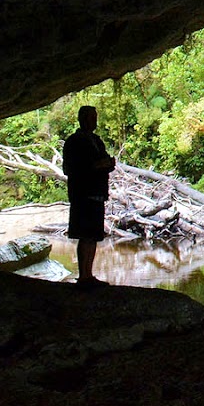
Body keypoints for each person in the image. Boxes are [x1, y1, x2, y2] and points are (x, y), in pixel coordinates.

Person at [63, 105, 117, 285]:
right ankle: (83, 276)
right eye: (90, 118)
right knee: (85, 235)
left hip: (97, 193)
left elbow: (103, 161)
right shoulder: (74, 141)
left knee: (93, 235)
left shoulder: (96, 140)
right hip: (82, 194)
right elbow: (69, 168)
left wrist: (108, 164)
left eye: (95, 117)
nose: (93, 121)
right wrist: (96, 166)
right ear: (81, 119)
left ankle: (89, 274)